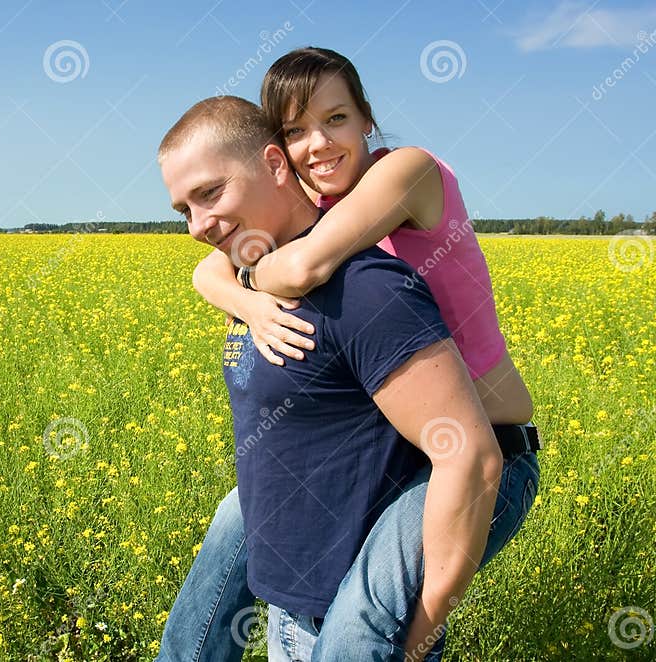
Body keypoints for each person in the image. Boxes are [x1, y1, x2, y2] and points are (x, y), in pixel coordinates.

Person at [156, 48, 541, 662]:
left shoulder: (407, 174)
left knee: (367, 632)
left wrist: (252, 279)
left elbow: (303, 264)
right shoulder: (325, 207)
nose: (317, 144)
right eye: (295, 130)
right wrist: (250, 305)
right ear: (279, 151)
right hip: (409, 430)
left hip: (487, 437)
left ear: (367, 118)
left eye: (335, 119)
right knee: (247, 511)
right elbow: (208, 271)